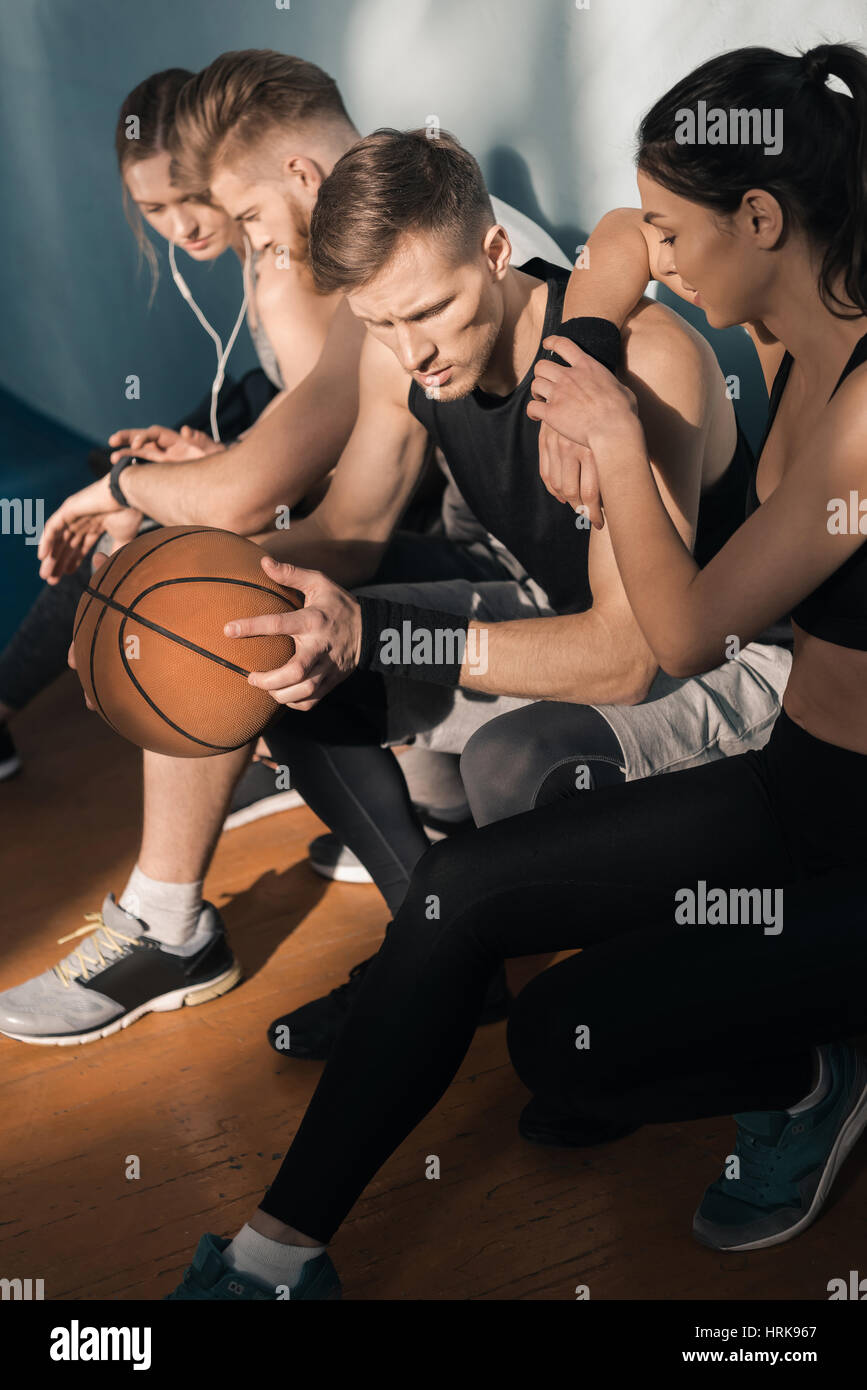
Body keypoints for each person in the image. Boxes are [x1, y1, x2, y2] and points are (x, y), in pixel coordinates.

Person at [163, 41, 867, 1301]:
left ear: (759, 217)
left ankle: (816, 1070)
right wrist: (587, 323)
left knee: (573, 1014)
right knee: (493, 948)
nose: (651, 249)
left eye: (673, 228)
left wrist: (594, 402)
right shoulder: (779, 334)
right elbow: (607, 231)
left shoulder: (825, 397)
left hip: (811, 786)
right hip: (793, 783)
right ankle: (275, 1261)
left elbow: (675, 641)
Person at [0, 60, 570, 1045]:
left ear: (303, 178)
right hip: (450, 570)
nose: (249, 245)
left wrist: (138, 502)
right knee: (218, 593)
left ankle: (178, 921)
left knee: (212, 582)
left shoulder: (414, 255)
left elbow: (257, 489)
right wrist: (161, 605)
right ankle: (290, 923)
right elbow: (341, 510)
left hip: (533, 604)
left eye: (247, 219)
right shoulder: (379, 279)